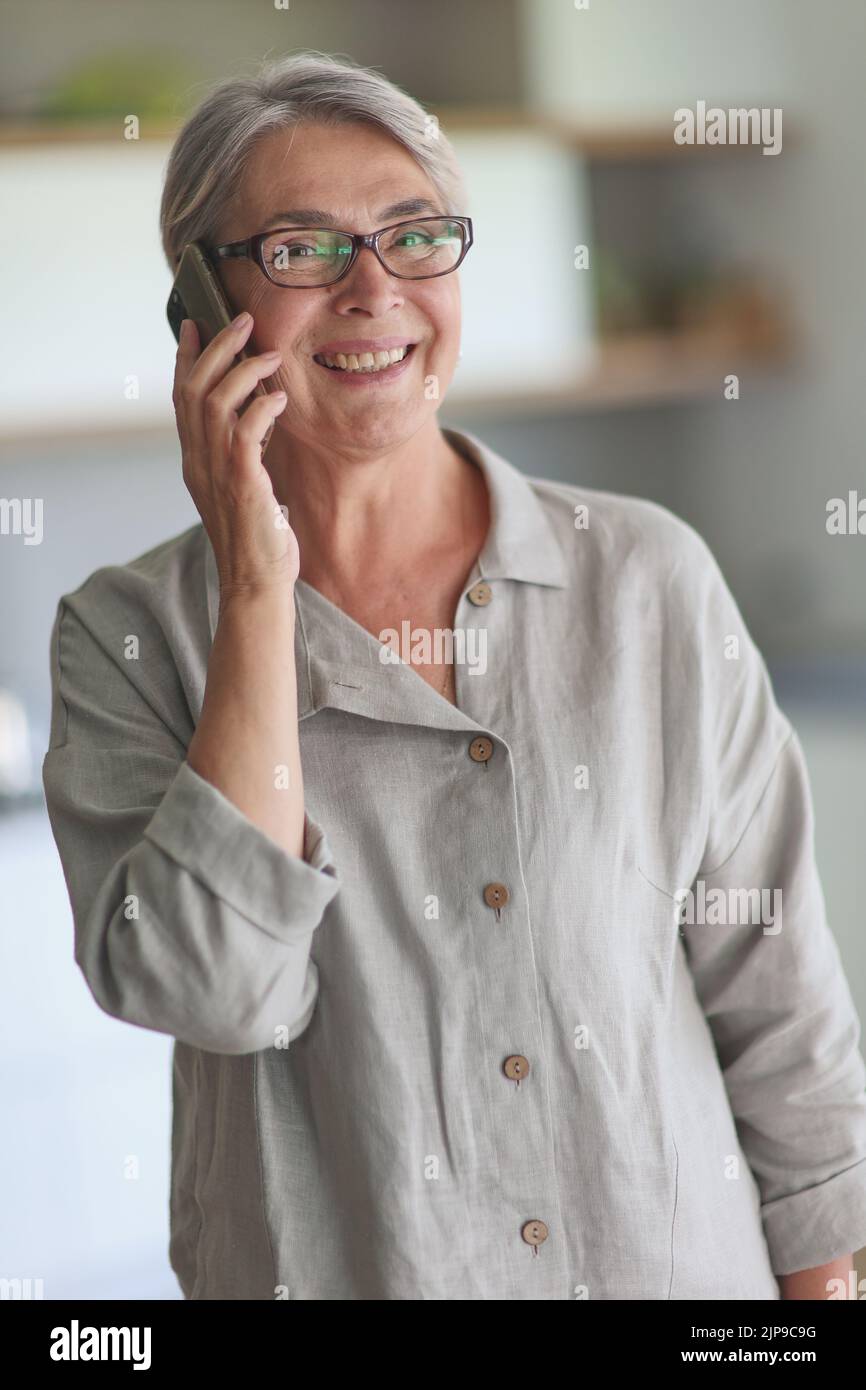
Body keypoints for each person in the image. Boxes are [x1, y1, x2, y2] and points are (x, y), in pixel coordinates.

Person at [43, 50, 866, 1301]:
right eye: (302, 249)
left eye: (412, 234)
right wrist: (258, 591)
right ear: (200, 307)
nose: (374, 290)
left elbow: (775, 1004)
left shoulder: (646, 580)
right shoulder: (127, 638)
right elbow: (214, 989)